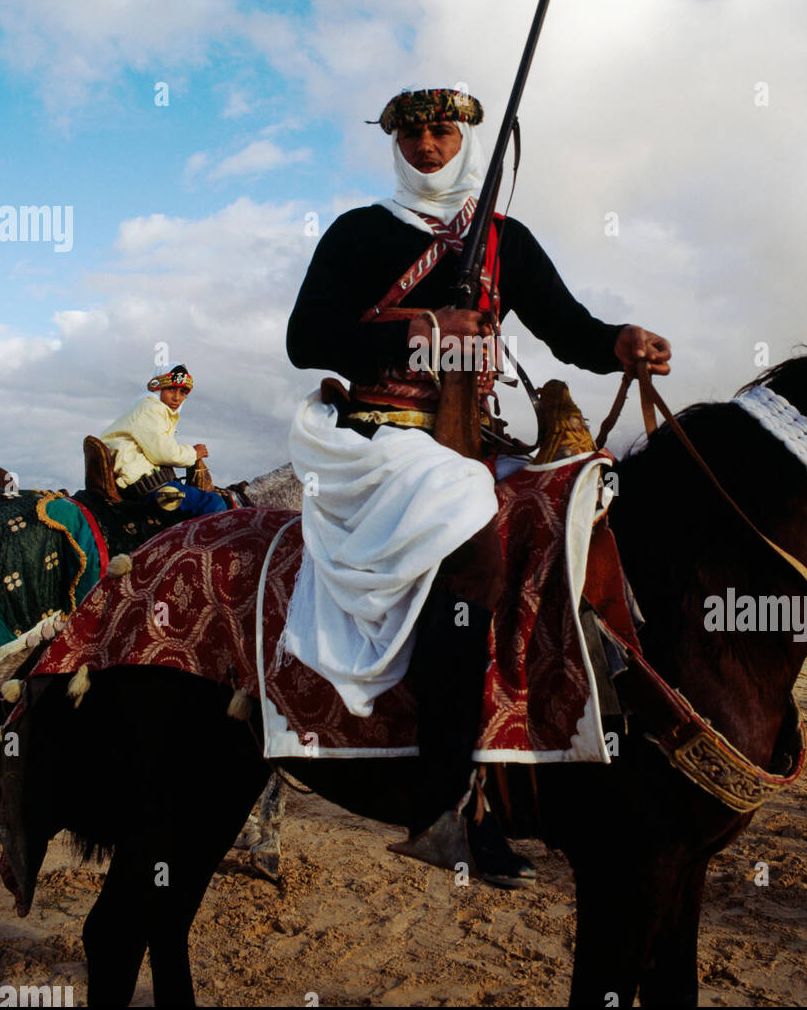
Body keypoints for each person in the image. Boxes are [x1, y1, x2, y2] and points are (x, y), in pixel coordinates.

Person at [285, 86, 670, 884]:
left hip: (471, 436)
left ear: (464, 138)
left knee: (580, 511)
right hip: (380, 435)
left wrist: (619, 341)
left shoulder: (501, 239)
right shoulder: (359, 232)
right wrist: (425, 328)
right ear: (394, 141)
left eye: (444, 129)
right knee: (472, 547)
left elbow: (566, 327)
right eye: (414, 131)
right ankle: (439, 805)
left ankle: (544, 760)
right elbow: (305, 338)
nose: (429, 143)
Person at [100, 365, 227, 516]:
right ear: (158, 388)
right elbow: (165, 454)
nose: (177, 397)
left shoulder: (151, 409)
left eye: (183, 392)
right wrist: (194, 453)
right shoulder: (151, 408)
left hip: (142, 482)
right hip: (147, 488)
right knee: (213, 502)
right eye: (171, 389)